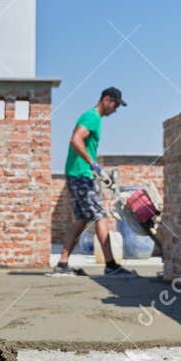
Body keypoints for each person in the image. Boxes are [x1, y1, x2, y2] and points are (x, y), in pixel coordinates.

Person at [50, 86, 128, 276]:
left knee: (82, 219)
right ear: (107, 100)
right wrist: (93, 164)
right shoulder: (92, 117)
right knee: (100, 215)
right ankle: (111, 265)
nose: (115, 110)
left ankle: (62, 263)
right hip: (81, 174)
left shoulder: (95, 118)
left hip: (79, 174)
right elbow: (75, 140)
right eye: (115, 105)